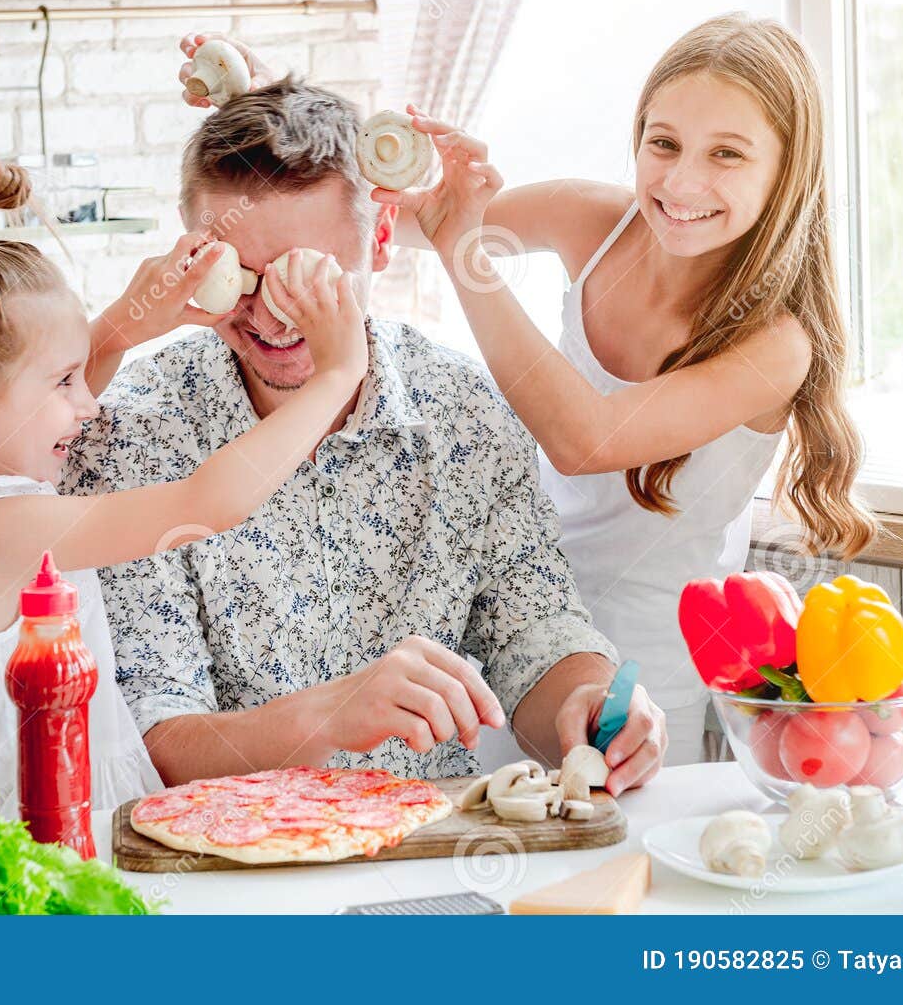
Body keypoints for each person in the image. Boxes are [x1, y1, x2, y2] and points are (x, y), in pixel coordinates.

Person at [64, 78, 669, 796]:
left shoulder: (464, 410)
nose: (273, 316)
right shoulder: (135, 432)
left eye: (311, 278)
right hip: (226, 874)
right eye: (241, 278)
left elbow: (531, 631)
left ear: (381, 239)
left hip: (429, 853)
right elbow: (151, 742)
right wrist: (332, 713)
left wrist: (585, 700)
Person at [367, 14, 880, 766]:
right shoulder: (598, 221)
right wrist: (270, 103)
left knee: (596, 870)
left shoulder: (777, 343)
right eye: (663, 142)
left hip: (638, 687)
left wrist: (466, 255)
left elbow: (585, 441)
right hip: (510, 630)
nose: (681, 182)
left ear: (785, 174)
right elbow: (405, 216)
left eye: (727, 155)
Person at [0, 147, 368, 815]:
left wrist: (131, 318)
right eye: (65, 381)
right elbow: (204, 504)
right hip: (58, 852)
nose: (90, 401)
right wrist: (335, 375)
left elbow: (25, 403)